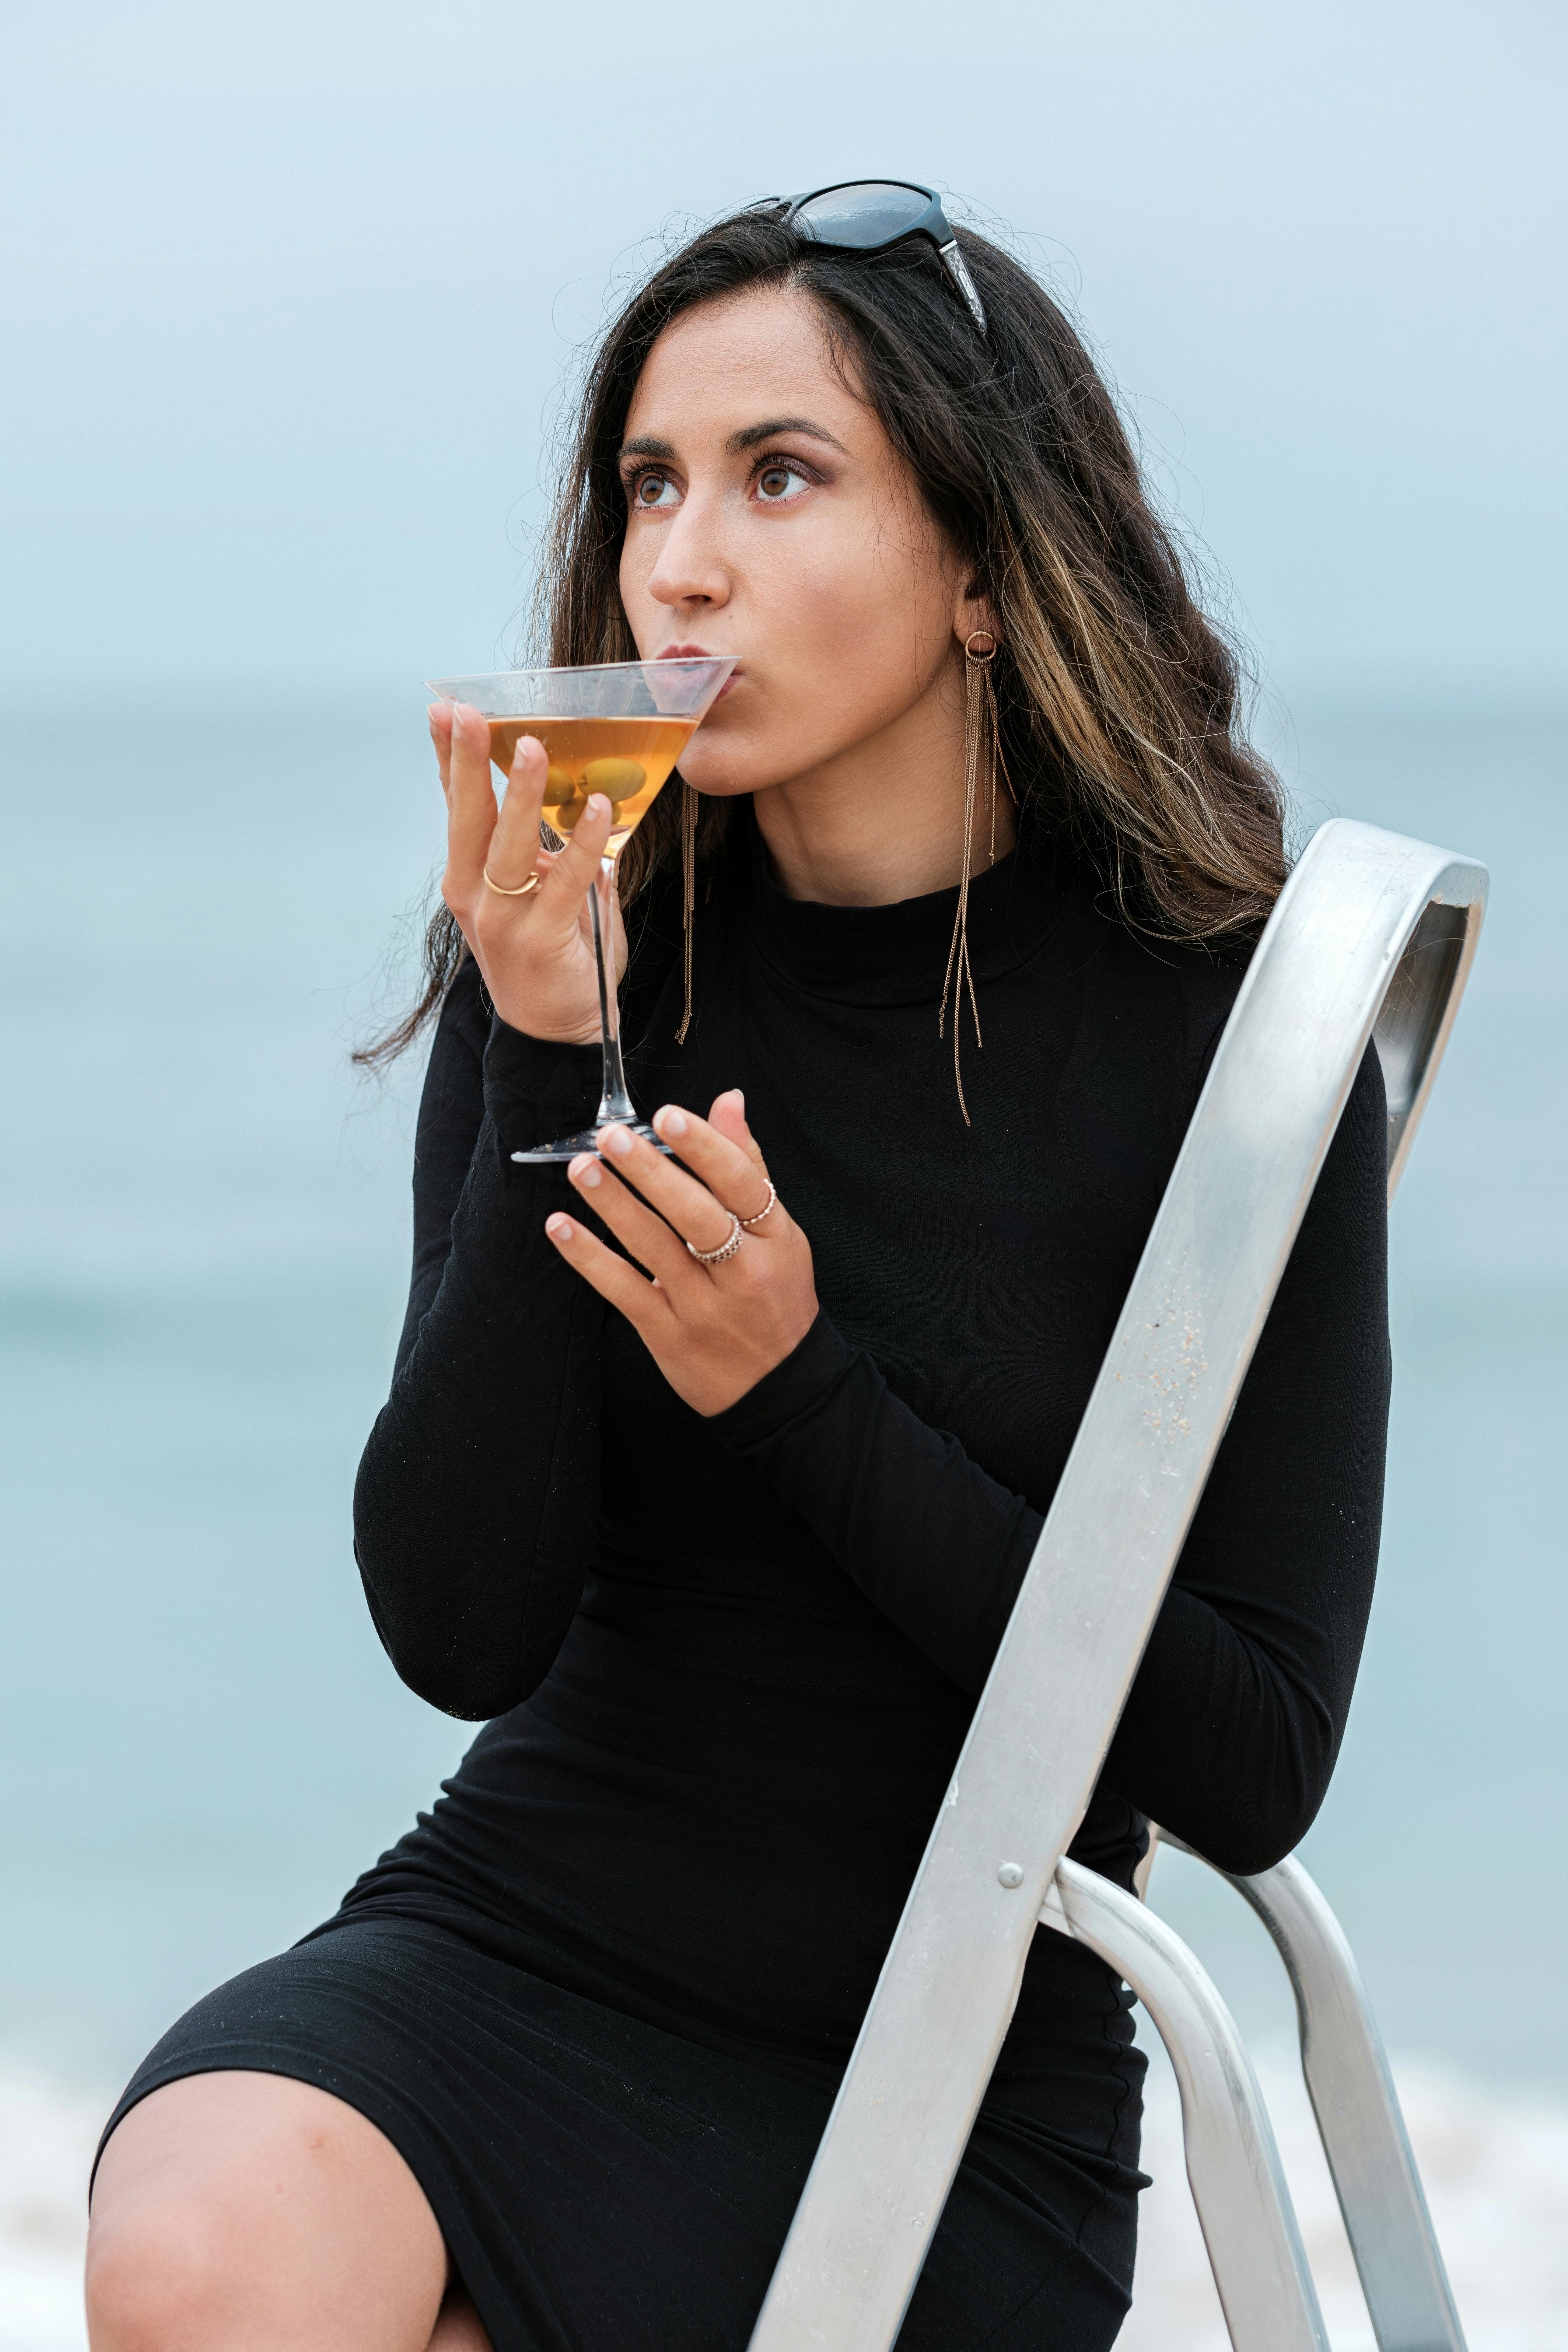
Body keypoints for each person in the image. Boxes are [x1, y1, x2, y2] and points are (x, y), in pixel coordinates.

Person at [83, 187, 1390, 2352]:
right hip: (529, 1941)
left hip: (948, 2070)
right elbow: (458, 1628)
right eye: (651, 487)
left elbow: (1250, 1759)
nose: (678, 561)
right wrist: (542, 1047)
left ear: (984, 565)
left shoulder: (1217, 1035)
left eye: (782, 477)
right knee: (210, 2249)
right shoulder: (589, 959)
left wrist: (798, 1395)